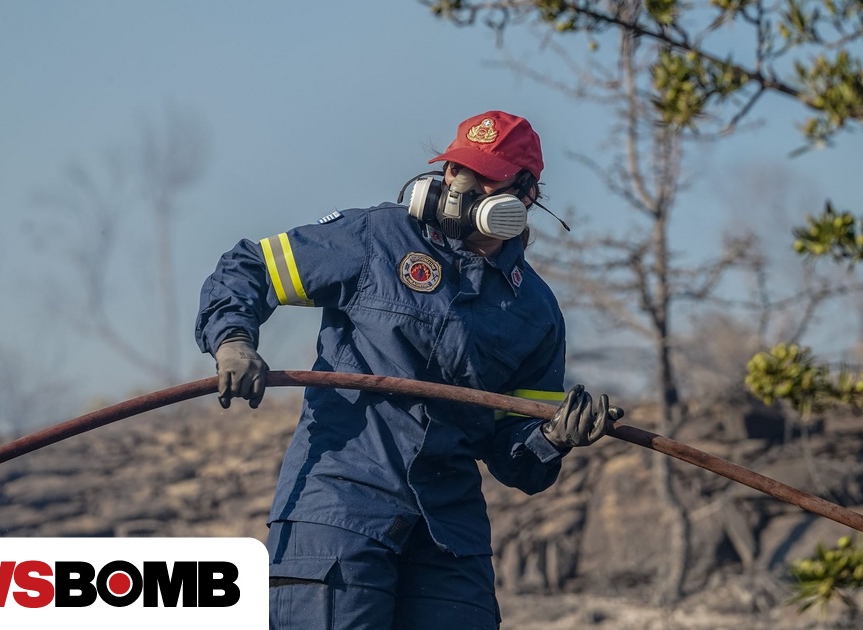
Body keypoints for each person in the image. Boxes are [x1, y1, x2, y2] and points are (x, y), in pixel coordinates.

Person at [194, 111, 618, 629]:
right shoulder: (377, 236)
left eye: (483, 174)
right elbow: (251, 268)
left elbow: (518, 462)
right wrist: (234, 341)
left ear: (525, 194)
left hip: (450, 538)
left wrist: (554, 437)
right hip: (339, 511)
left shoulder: (536, 312)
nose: (460, 185)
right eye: (456, 168)